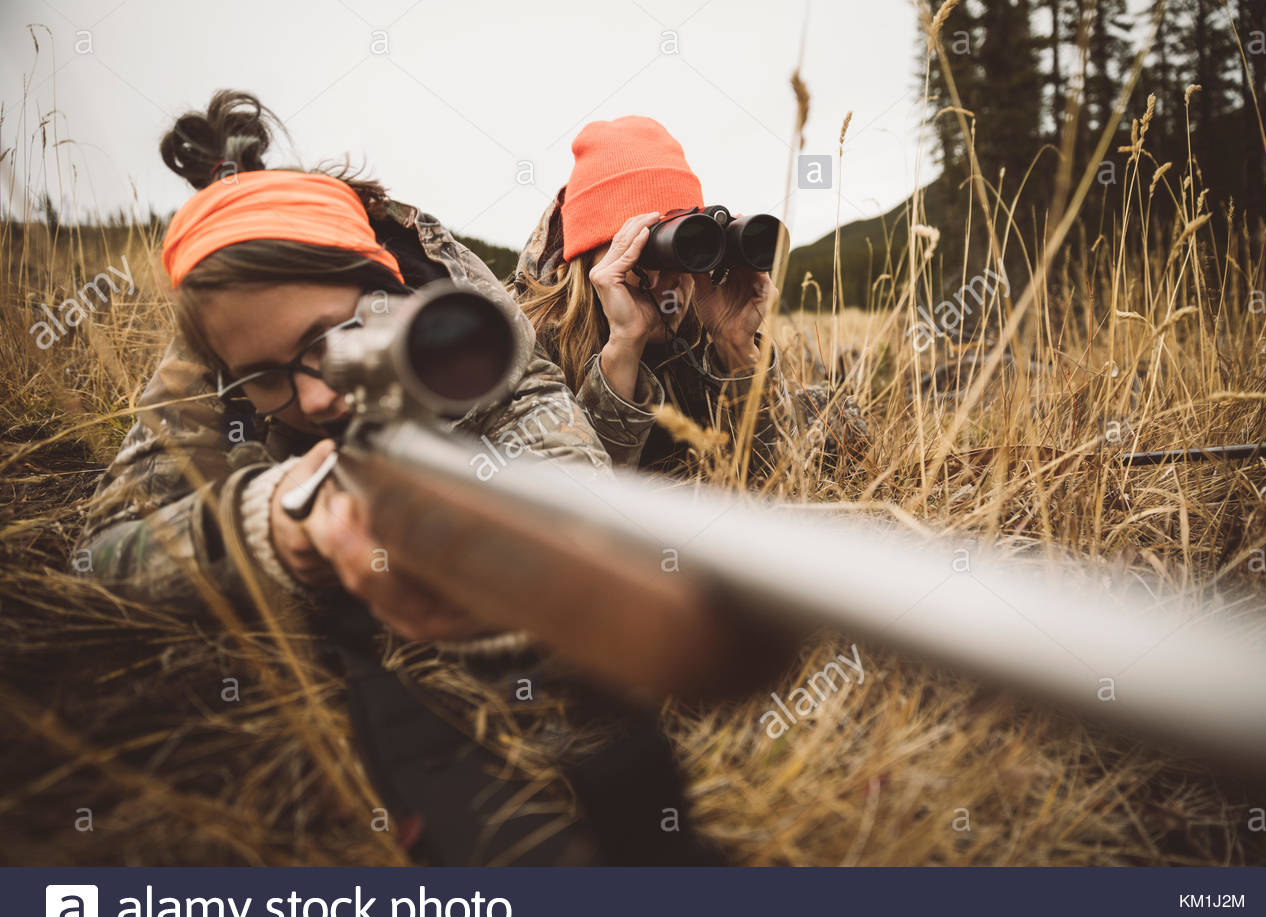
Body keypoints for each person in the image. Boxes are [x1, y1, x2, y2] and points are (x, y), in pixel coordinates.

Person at [74, 91, 608, 641]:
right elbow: (100, 559)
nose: (316, 400)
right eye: (263, 378)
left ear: (390, 297)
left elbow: (574, 482)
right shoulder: (207, 355)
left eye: (331, 341)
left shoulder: (469, 327)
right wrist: (265, 526)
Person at [512, 116, 785, 474]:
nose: (663, 280)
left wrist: (736, 347)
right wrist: (623, 347)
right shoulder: (524, 342)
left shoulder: (699, 327)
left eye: (680, 247)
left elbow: (774, 481)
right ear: (588, 260)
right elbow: (579, 497)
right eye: (641, 255)